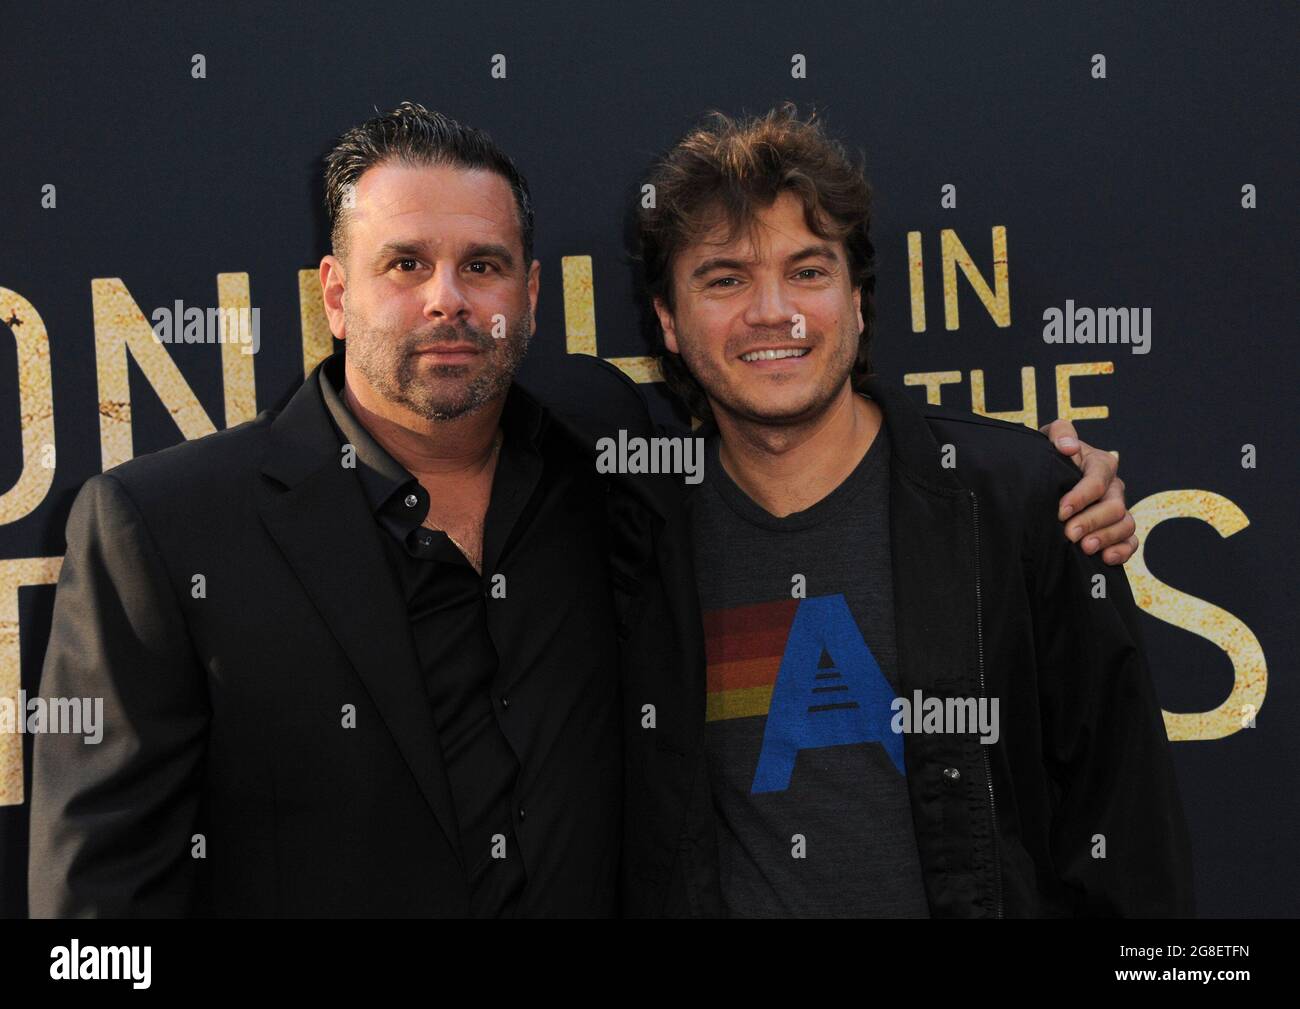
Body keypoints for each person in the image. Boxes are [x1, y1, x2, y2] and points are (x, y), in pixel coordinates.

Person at [28, 103, 1136, 918]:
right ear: (332, 291)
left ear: (531, 296)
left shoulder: (610, 469)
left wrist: (1032, 476)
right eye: (403, 263)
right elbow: (91, 916)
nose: (447, 299)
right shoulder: (166, 528)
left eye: (483, 264)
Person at [633, 104, 1194, 916]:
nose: (772, 311)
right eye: (725, 279)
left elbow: (1126, 829)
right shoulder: (635, 538)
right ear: (669, 326)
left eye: (808, 271)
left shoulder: (1021, 499)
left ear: (858, 302)